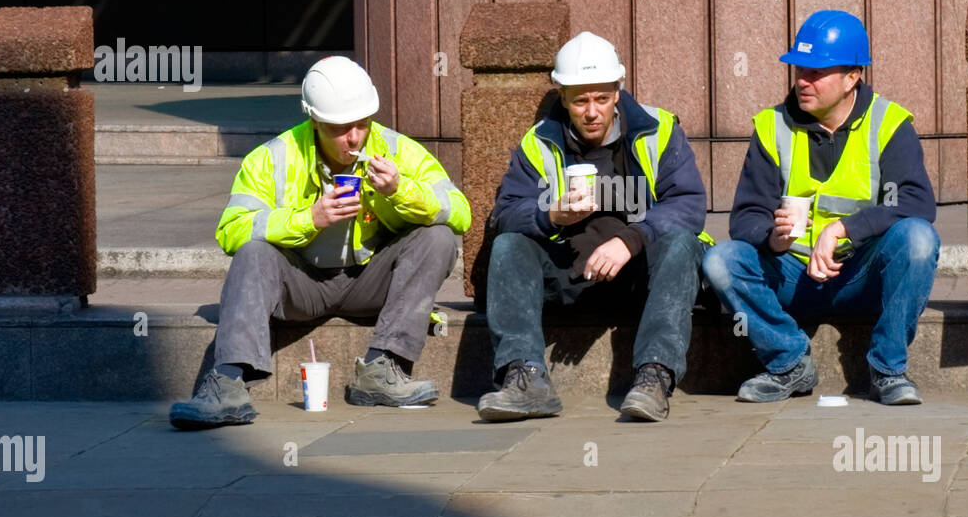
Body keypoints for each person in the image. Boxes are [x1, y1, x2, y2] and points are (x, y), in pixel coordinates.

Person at [169, 56, 470, 430]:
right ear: (314, 121)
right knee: (254, 252)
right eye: (340, 128)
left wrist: (401, 191)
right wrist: (308, 219)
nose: (354, 137)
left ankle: (382, 368)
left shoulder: (399, 151)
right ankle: (227, 384)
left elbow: (461, 212)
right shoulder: (272, 158)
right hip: (301, 283)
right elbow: (231, 231)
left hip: (371, 279)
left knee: (437, 237)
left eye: (362, 123)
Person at [702, 10, 939, 405]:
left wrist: (842, 230)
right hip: (791, 274)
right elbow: (745, 219)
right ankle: (789, 362)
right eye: (799, 69)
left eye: (816, 72)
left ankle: (888, 369)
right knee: (720, 261)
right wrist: (772, 239)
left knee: (917, 239)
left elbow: (917, 202)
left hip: (862, 275)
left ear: (852, 77)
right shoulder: (771, 126)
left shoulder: (889, 123)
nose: (802, 81)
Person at [478, 31, 709, 423]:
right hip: (571, 271)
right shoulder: (539, 143)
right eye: (580, 100)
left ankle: (654, 377)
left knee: (682, 244)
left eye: (602, 98)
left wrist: (630, 239)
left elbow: (688, 205)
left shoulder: (660, 130)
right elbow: (505, 213)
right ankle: (525, 378)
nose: (592, 112)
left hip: (641, 274)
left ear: (618, 91)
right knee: (508, 246)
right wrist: (549, 216)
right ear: (562, 97)